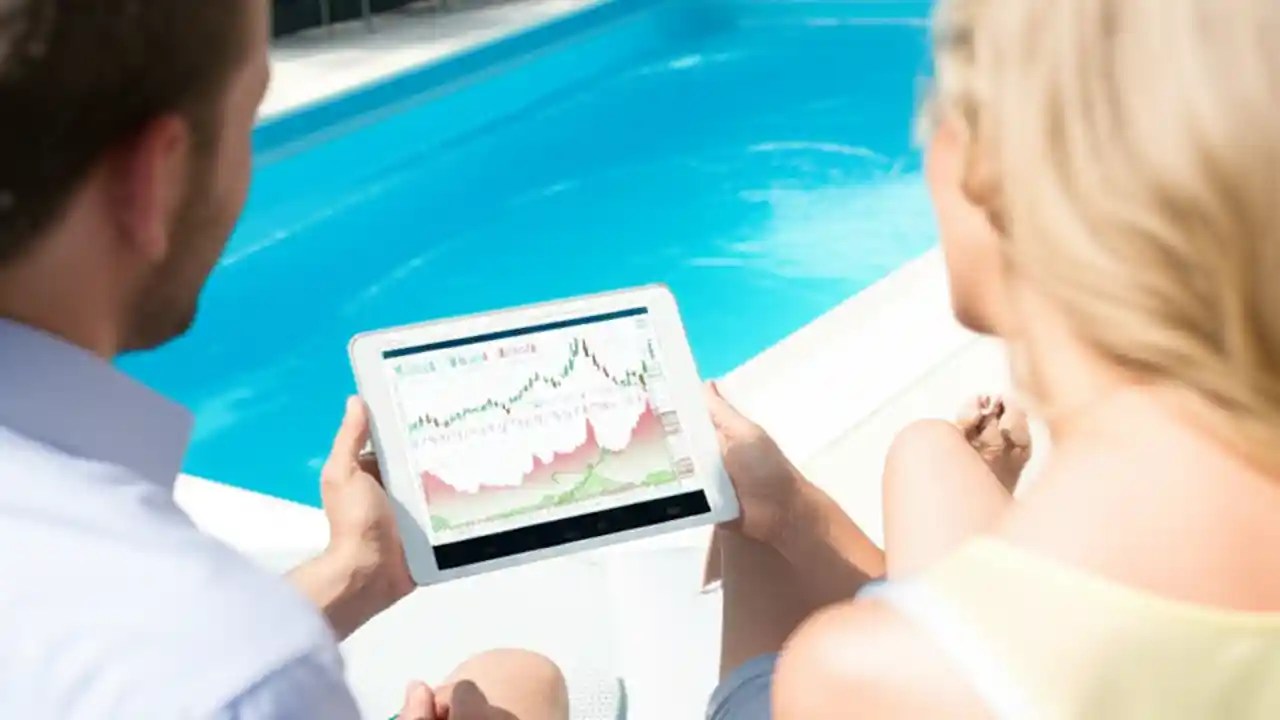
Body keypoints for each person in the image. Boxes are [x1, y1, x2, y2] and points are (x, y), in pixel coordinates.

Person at [705, 0, 1280, 717]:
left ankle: (762, 523)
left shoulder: (867, 680)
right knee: (922, 456)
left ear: (972, 168)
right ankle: (781, 514)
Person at [0, 2, 567, 718]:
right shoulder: (240, 666)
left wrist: (354, 572)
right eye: (248, 120)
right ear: (154, 178)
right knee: (520, 688)